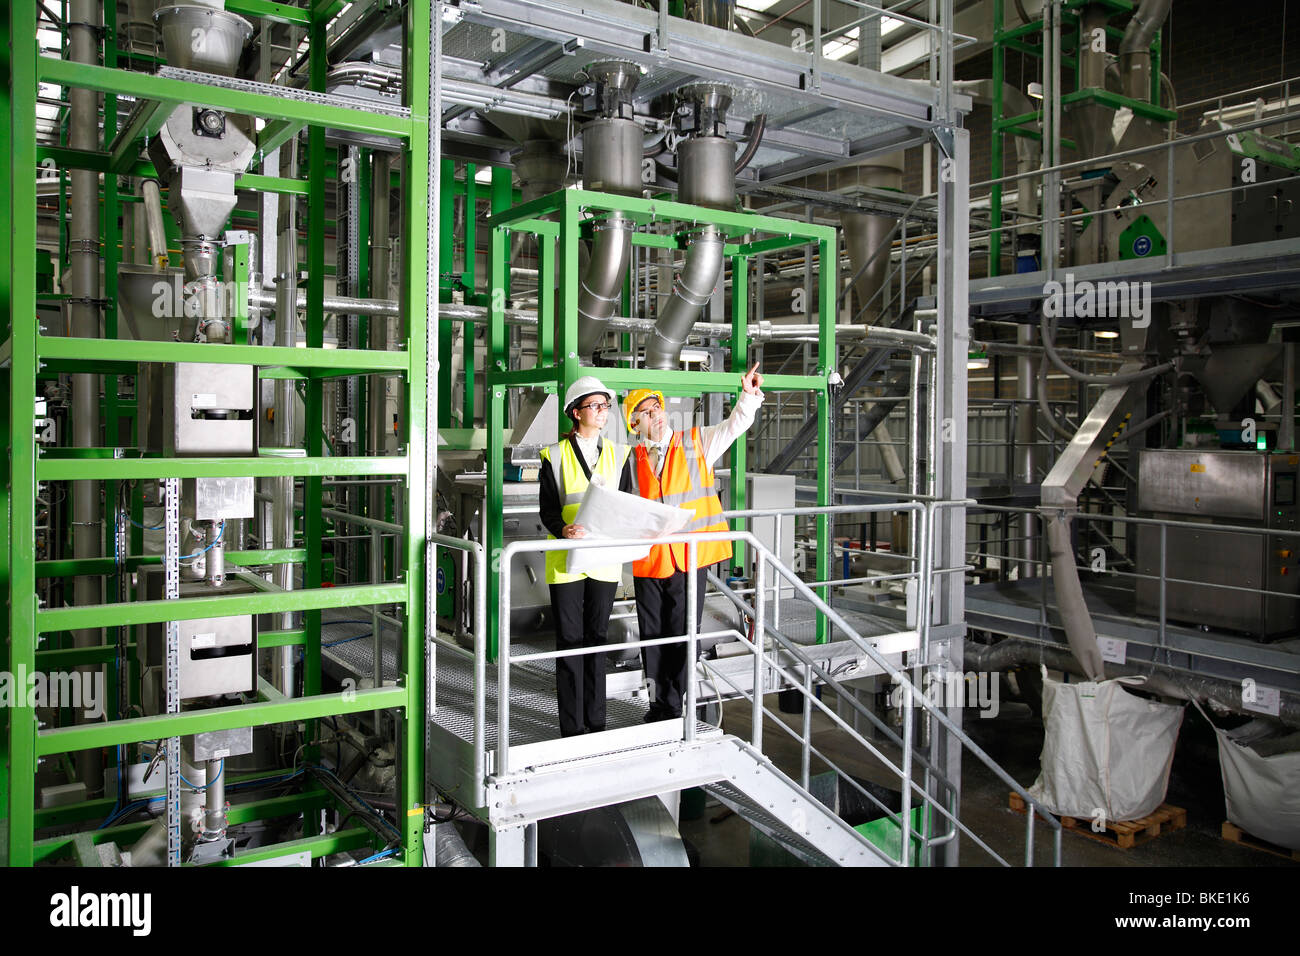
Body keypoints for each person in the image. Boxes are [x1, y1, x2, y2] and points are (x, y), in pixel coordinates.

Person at [623, 363, 765, 722]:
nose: (654, 414)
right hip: (650, 560)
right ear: (634, 425)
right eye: (645, 412)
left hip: (690, 557)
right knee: (652, 636)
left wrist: (747, 396)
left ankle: (673, 704)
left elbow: (735, 426)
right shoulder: (631, 460)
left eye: (657, 407)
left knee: (684, 631)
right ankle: (658, 702)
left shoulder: (695, 442)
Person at [538, 375, 634, 737]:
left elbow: (623, 503)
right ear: (576, 413)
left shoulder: (619, 454)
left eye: (605, 406)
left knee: (597, 638)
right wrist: (563, 530)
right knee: (569, 641)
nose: (603, 412)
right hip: (565, 560)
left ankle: (596, 721)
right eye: (595, 406)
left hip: (605, 559)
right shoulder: (554, 455)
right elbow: (547, 509)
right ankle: (571, 727)